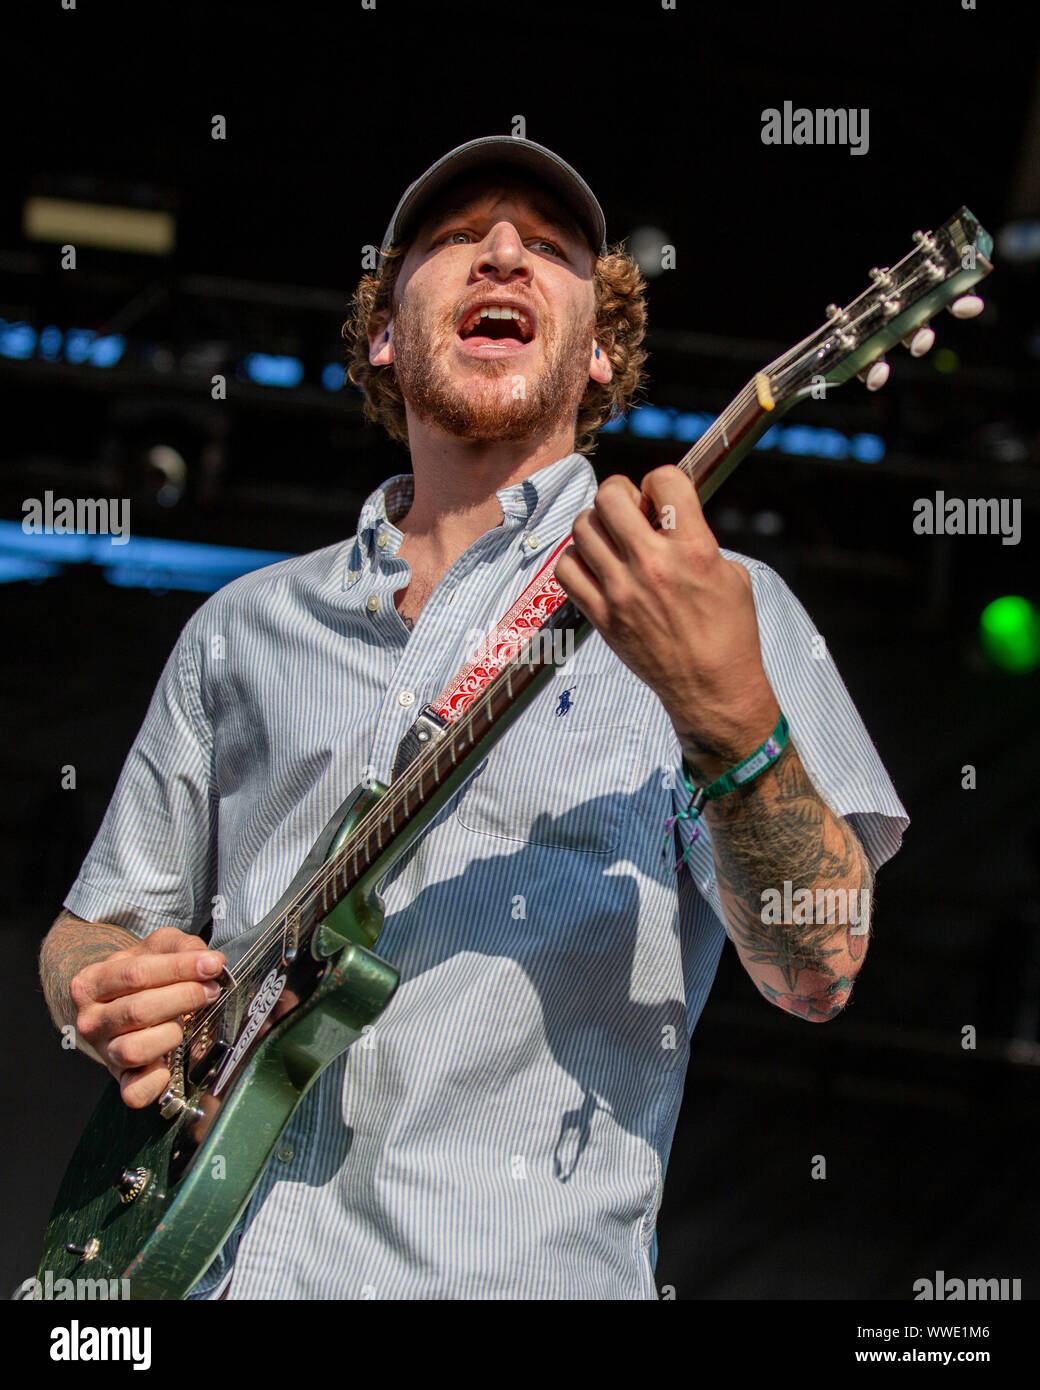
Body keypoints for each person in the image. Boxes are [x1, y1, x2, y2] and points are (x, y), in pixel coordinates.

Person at [39, 135, 909, 1299]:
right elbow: (88, 930)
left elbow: (819, 966)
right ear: (387, 333)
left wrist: (725, 713)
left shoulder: (719, 602)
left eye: (547, 249)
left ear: (600, 353)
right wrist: (98, 990)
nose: (501, 253)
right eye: (455, 239)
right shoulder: (241, 627)